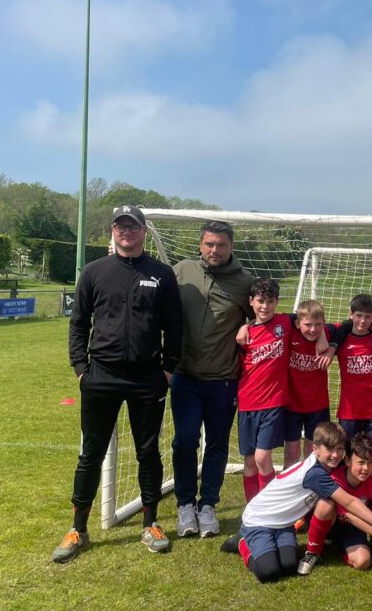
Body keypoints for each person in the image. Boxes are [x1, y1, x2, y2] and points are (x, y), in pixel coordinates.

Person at [53, 205, 183, 563]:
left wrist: (168, 370)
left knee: (148, 452)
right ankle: (78, 527)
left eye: (133, 226)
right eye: (120, 226)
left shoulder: (161, 274)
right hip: (101, 376)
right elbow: (78, 323)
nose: (126, 232)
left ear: (143, 231)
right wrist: (81, 369)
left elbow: (174, 326)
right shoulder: (94, 272)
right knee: (90, 454)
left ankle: (151, 522)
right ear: (112, 230)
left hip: (147, 379)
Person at [222, 422, 372, 582]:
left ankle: (283, 542)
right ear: (315, 449)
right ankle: (243, 542)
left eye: (340, 449)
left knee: (289, 565)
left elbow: (365, 466)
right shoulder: (315, 473)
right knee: (268, 572)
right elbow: (350, 502)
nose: (335, 455)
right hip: (259, 520)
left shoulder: (332, 466)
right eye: (329, 449)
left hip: (284, 524)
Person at [171, 220, 254, 539]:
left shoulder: (244, 282)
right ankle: (185, 505)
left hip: (223, 380)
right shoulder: (182, 271)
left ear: (231, 246)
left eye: (220, 245)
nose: (214, 250)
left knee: (217, 445)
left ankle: (208, 506)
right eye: (208, 244)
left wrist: (249, 325)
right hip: (185, 376)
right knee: (185, 441)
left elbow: (264, 315)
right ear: (200, 245)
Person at [297, 432, 372, 574]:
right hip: (333, 521)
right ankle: (312, 552)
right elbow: (350, 516)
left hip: (350, 528)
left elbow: (371, 512)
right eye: (360, 462)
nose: (366, 468)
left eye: (370, 462)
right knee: (325, 505)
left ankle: (335, 546)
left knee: (364, 562)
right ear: (347, 461)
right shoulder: (336, 479)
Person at [235, 278, 290, 504]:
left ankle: (269, 507)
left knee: (262, 457)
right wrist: (244, 326)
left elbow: (314, 320)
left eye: (270, 301)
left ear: (277, 302)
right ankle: (252, 509)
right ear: (251, 301)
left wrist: (327, 340)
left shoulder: (286, 323)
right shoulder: (244, 335)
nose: (264, 307)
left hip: (273, 403)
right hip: (247, 402)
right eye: (260, 301)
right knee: (249, 461)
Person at [283, 299, 335, 467]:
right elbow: (278, 318)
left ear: (324, 324)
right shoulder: (290, 333)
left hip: (317, 405)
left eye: (318, 325)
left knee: (313, 452)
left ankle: (311, 489)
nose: (313, 330)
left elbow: (349, 326)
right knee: (291, 452)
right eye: (308, 324)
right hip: (292, 404)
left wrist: (331, 348)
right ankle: (289, 489)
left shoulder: (328, 332)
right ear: (298, 323)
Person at [330, 294, 372, 440]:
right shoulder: (340, 335)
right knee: (349, 453)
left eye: (367, 317)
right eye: (359, 315)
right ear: (351, 314)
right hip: (349, 411)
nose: (362, 320)